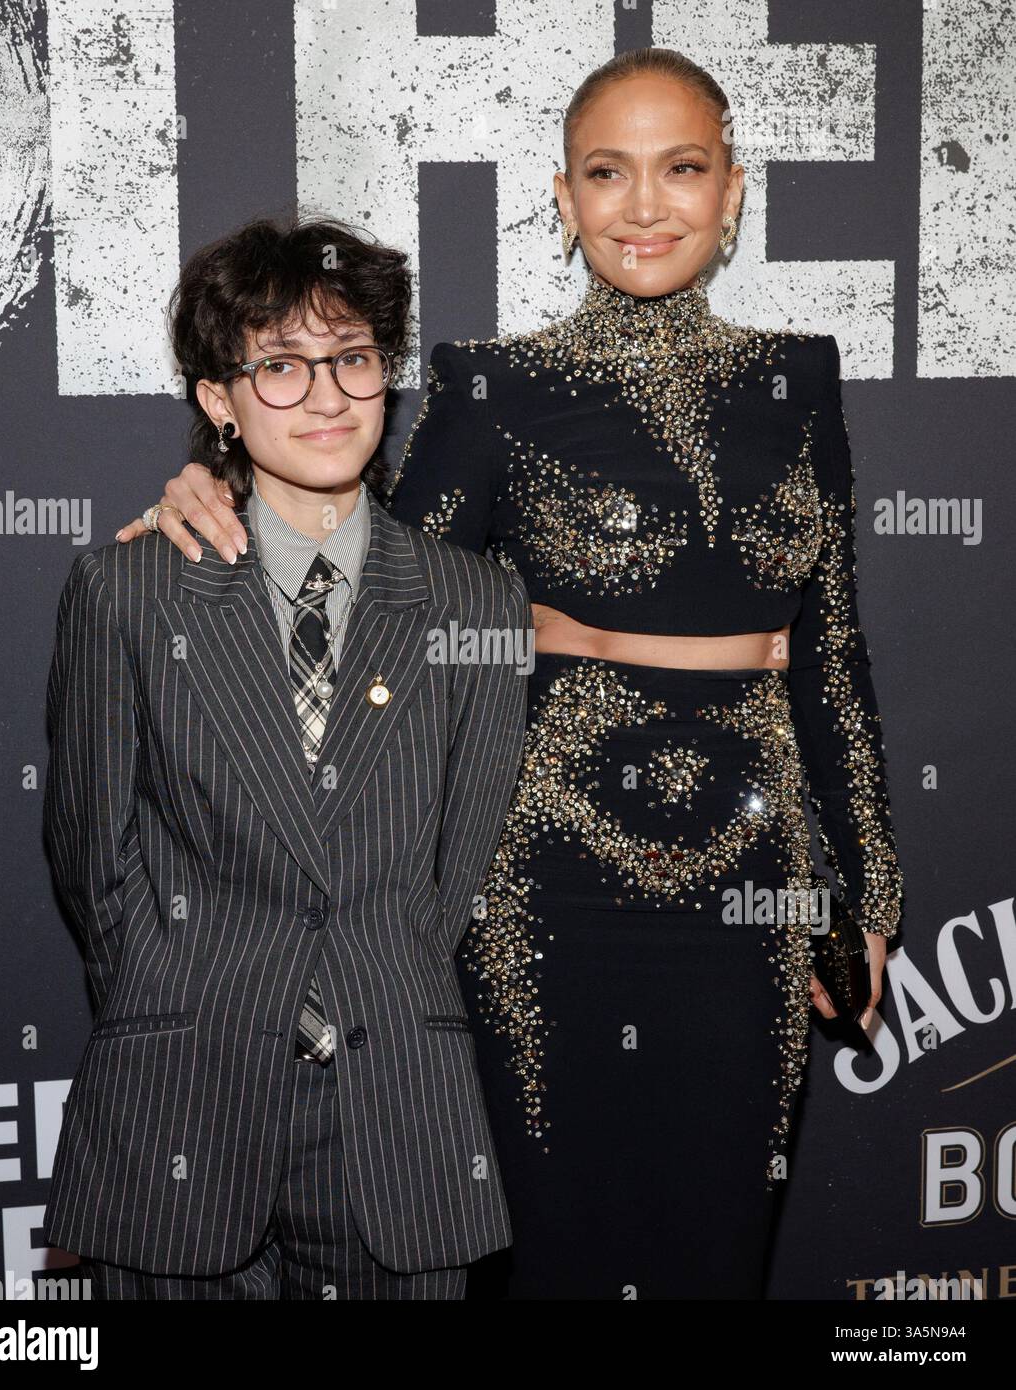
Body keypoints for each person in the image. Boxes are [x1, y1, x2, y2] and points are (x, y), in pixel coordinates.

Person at [114, 48, 905, 1300]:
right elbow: (380, 574)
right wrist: (211, 487)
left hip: (754, 887)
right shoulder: (500, 385)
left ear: (735, 190)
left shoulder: (801, 378)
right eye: (608, 173)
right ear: (562, 196)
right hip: (548, 888)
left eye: (681, 169)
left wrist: (867, 882)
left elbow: (830, 649)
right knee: (554, 1247)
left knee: (717, 1246)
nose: (644, 205)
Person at [42, 214, 531, 1299]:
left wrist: (370, 978)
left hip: (396, 1114)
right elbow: (91, 861)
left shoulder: (476, 600)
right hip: (182, 1093)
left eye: (352, 358)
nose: (325, 395)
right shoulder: (126, 591)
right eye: (280, 365)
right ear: (217, 398)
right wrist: (189, 999)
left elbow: (456, 875)